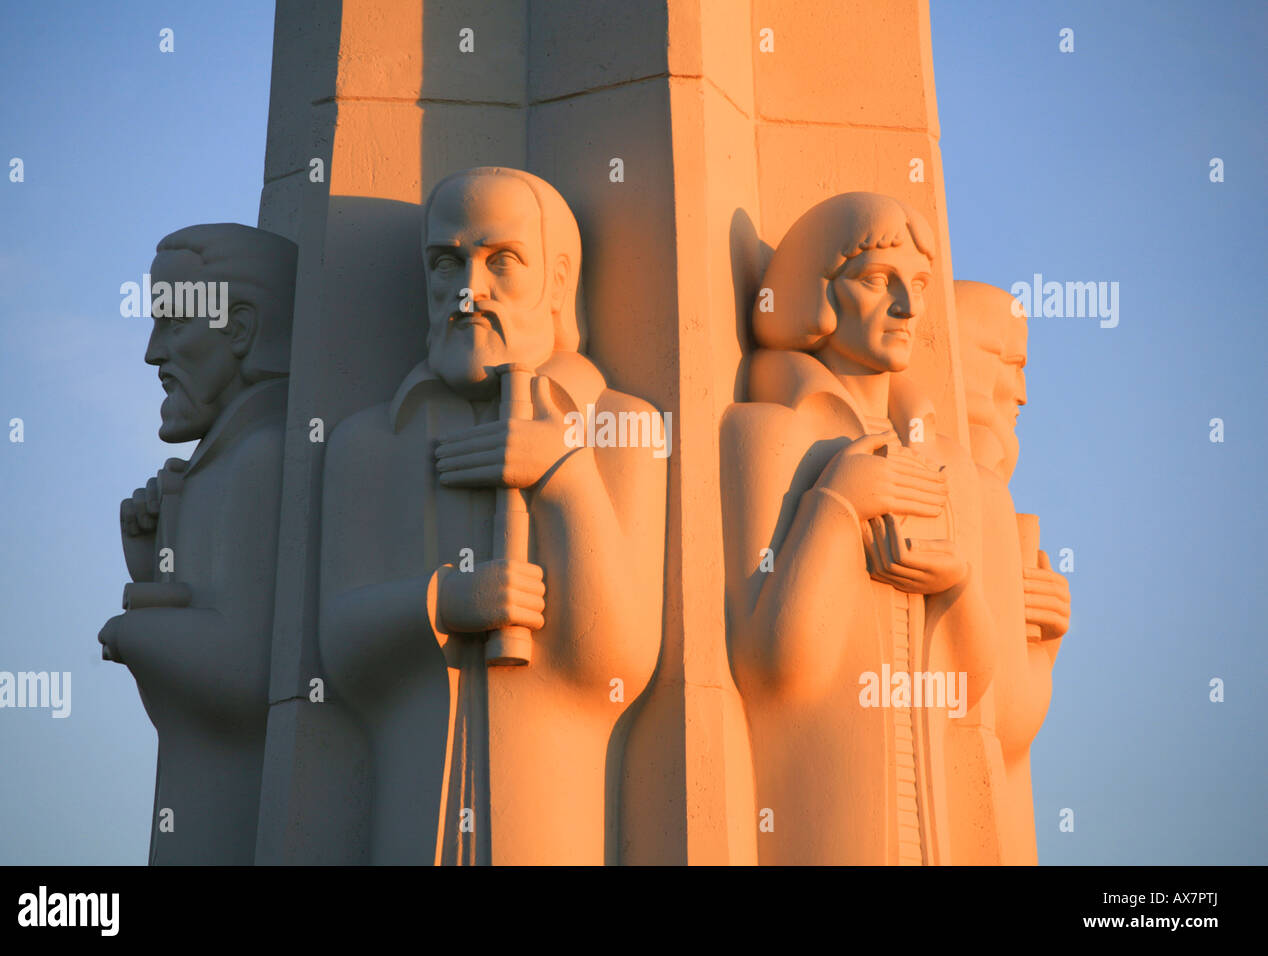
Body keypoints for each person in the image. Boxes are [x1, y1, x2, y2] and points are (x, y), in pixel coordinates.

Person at [318, 167, 666, 864]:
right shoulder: (368, 442)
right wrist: (446, 599)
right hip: (411, 795)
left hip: (553, 798)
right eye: (447, 262)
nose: (467, 290)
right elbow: (339, 648)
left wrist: (564, 478)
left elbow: (619, 659)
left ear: (559, 282)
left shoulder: (621, 428)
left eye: (501, 261)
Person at [722, 192, 997, 864]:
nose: (907, 307)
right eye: (878, 281)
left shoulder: (943, 464)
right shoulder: (767, 434)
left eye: (920, 285)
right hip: (818, 806)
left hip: (926, 810)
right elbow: (770, 664)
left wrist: (958, 586)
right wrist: (837, 509)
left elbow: (969, 688)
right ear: (819, 293)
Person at [99, 223, 297, 864]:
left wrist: (131, 628)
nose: (153, 354)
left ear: (239, 330)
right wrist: (155, 571)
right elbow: (188, 710)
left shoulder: (262, 457)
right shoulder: (224, 462)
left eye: (173, 324)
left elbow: (245, 673)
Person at [954, 279, 1070, 863]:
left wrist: (1042, 648)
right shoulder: (973, 485)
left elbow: (1006, 721)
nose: (1022, 392)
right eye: (1010, 363)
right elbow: (1002, 711)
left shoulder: (982, 485)